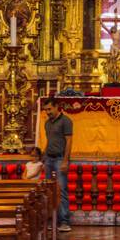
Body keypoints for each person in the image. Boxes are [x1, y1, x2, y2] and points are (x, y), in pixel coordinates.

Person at [42, 96, 73, 232]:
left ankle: (64, 221)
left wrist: (66, 161)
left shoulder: (66, 121)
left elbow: (69, 142)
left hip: (60, 159)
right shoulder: (47, 123)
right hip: (49, 158)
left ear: (56, 107)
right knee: (49, 191)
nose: (47, 112)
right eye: (45, 110)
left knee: (61, 190)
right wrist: (44, 158)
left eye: (49, 109)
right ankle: (52, 220)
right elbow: (49, 141)